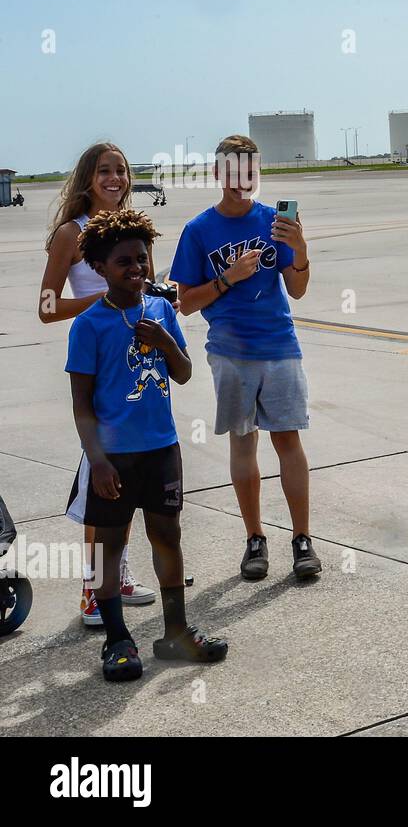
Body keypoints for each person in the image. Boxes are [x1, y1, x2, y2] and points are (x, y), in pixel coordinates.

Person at [65, 210, 227, 681]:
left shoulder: (158, 311)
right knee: (109, 546)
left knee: (168, 536)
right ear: (99, 266)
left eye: (142, 258)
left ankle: (174, 633)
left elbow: (184, 372)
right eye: (124, 261)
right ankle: (117, 639)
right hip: (112, 456)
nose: (136, 268)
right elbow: (81, 404)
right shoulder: (89, 325)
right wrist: (96, 461)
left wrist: (164, 342)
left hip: (161, 448)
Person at [170, 135, 321, 580]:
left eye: (249, 172)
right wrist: (230, 278)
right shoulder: (199, 231)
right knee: (243, 439)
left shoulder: (276, 221)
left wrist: (302, 250)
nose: (242, 181)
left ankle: (302, 539)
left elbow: (297, 289)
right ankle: (255, 538)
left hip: (279, 346)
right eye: (233, 173)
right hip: (230, 353)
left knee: (288, 440)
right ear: (218, 174)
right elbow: (186, 301)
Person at [40, 143, 158, 626]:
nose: (114, 178)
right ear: (88, 178)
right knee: (100, 483)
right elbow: (47, 307)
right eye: (104, 171)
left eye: (121, 171)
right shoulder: (71, 233)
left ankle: (118, 575)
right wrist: (100, 303)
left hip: (137, 364)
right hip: (97, 364)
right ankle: (93, 592)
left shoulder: (133, 227)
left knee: (128, 482)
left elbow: (143, 285)